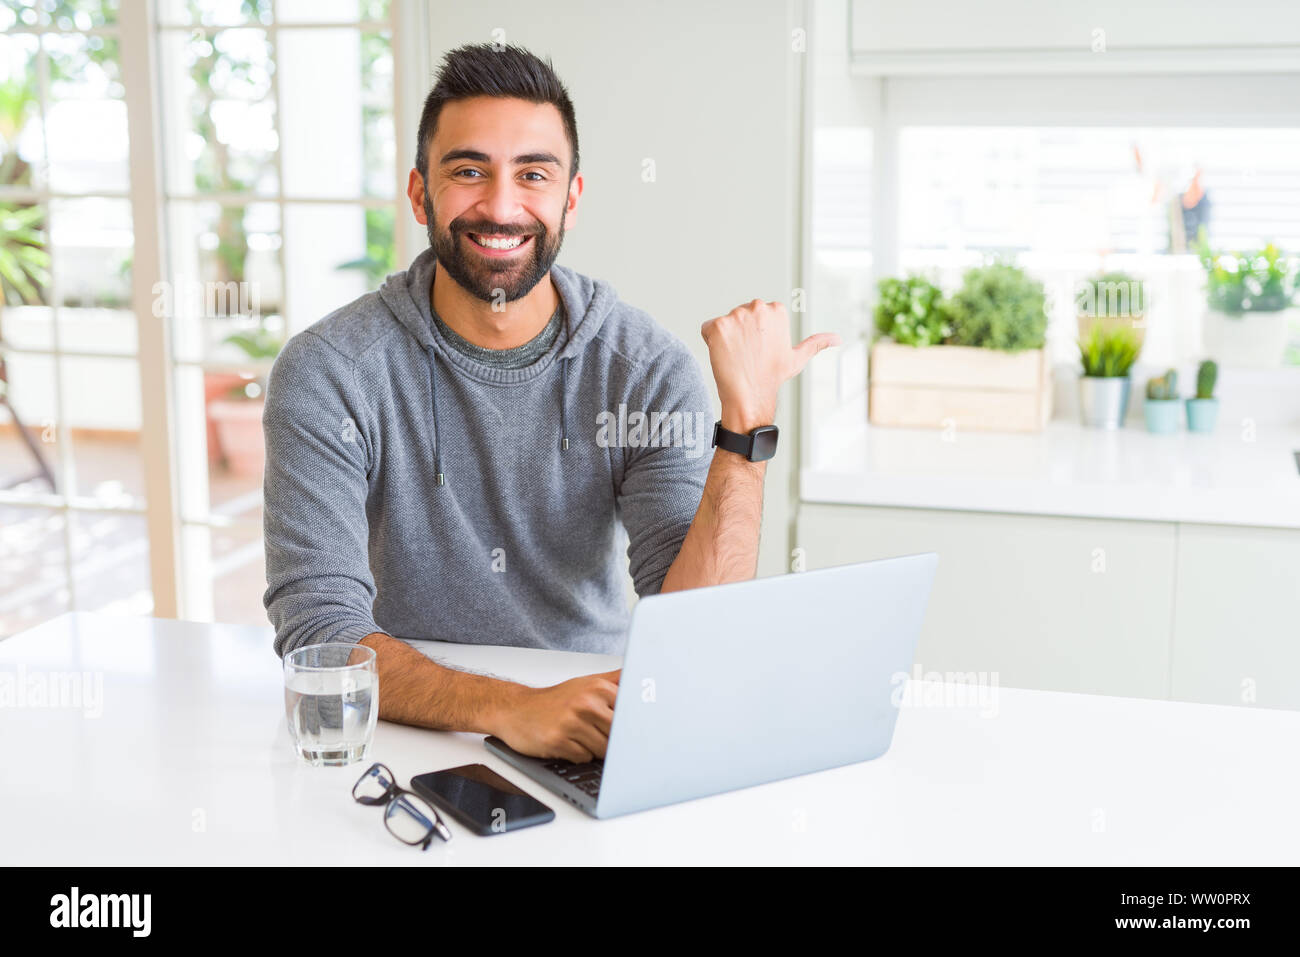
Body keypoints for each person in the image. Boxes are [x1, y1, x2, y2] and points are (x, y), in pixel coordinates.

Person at [262, 43, 838, 762]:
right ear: (419, 194)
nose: (502, 206)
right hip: (406, 733)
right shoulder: (330, 371)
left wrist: (745, 428)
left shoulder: (644, 369)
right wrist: (510, 707)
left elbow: (697, 629)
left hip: (595, 722)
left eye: (533, 174)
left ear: (572, 197)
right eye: (469, 171)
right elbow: (319, 631)